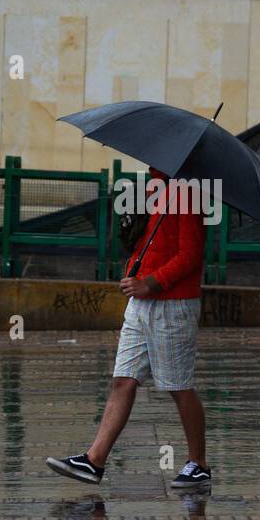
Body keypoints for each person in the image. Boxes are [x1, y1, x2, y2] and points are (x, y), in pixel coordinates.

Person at [46, 168, 211, 490]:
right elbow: (150, 244)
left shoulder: (189, 192)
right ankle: (94, 460)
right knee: (123, 380)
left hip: (171, 305)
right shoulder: (152, 190)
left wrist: (151, 282)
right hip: (140, 303)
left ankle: (199, 464)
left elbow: (190, 254)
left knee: (178, 386)